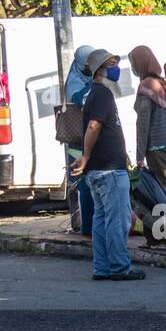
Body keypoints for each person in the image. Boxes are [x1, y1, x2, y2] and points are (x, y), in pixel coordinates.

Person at [70, 49, 144, 281]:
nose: (115, 67)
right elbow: (94, 126)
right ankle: (119, 267)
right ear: (101, 67)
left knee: (101, 220)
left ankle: (102, 268)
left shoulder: (93, 94)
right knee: (117, 220)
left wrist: (87, 158)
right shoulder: (102, 93)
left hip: (99, 170)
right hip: (109, 169)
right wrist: (86, 157)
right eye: (111, 63)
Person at [128, 46, 166, 244]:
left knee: (165, 192)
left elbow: (142, 125)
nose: (134, 68)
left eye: (134, 63)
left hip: (156, 147)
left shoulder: (146, 88)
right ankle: (158, 237)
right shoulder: (160, 84)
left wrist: (139, 156)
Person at [65, 45, 96, 238]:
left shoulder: (90, 77)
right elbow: (81, 99)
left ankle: (93, 228)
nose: (89, 68)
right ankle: (88, 229)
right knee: (84, 185)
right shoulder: (75, 81)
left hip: (92, 140)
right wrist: (95, 84)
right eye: (87, 65)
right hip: (79, 141)